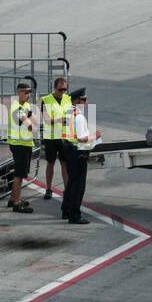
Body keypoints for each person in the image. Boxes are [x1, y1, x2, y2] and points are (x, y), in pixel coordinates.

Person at [60, 88, 100, 224]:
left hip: (68, 151)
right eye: (83, 100)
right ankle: (74, 215)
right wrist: (96, 136)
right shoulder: (79, 116)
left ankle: (65, 210)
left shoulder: (67, 113)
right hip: (79, 153)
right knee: (78, 186)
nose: (86, 102)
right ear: (77, 101)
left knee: (71, 183)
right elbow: (83, 138)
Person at [38, 77, 71, 200]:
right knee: (50, 163)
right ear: (54, 88)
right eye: (60, 89)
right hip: (51, 138)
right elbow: (46, 120)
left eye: (64, 89)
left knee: (65, 164)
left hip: (64, 137)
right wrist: (61, 120)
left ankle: (67, 189)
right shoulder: (46, 100)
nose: (62, 92)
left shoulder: (68, 98)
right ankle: (48, 188)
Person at [6, 82, 35, 213]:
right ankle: (17, 203)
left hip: (25, 143)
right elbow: (29, 123)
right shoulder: (16, 108)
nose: (28, 95)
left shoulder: (26, 105)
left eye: (29, 92)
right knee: (19, 175)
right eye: (25, 92)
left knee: (20, 174)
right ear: (19, 93)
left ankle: (13, 199)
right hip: (19, 145)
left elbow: (33, 119)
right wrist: (31, 123)